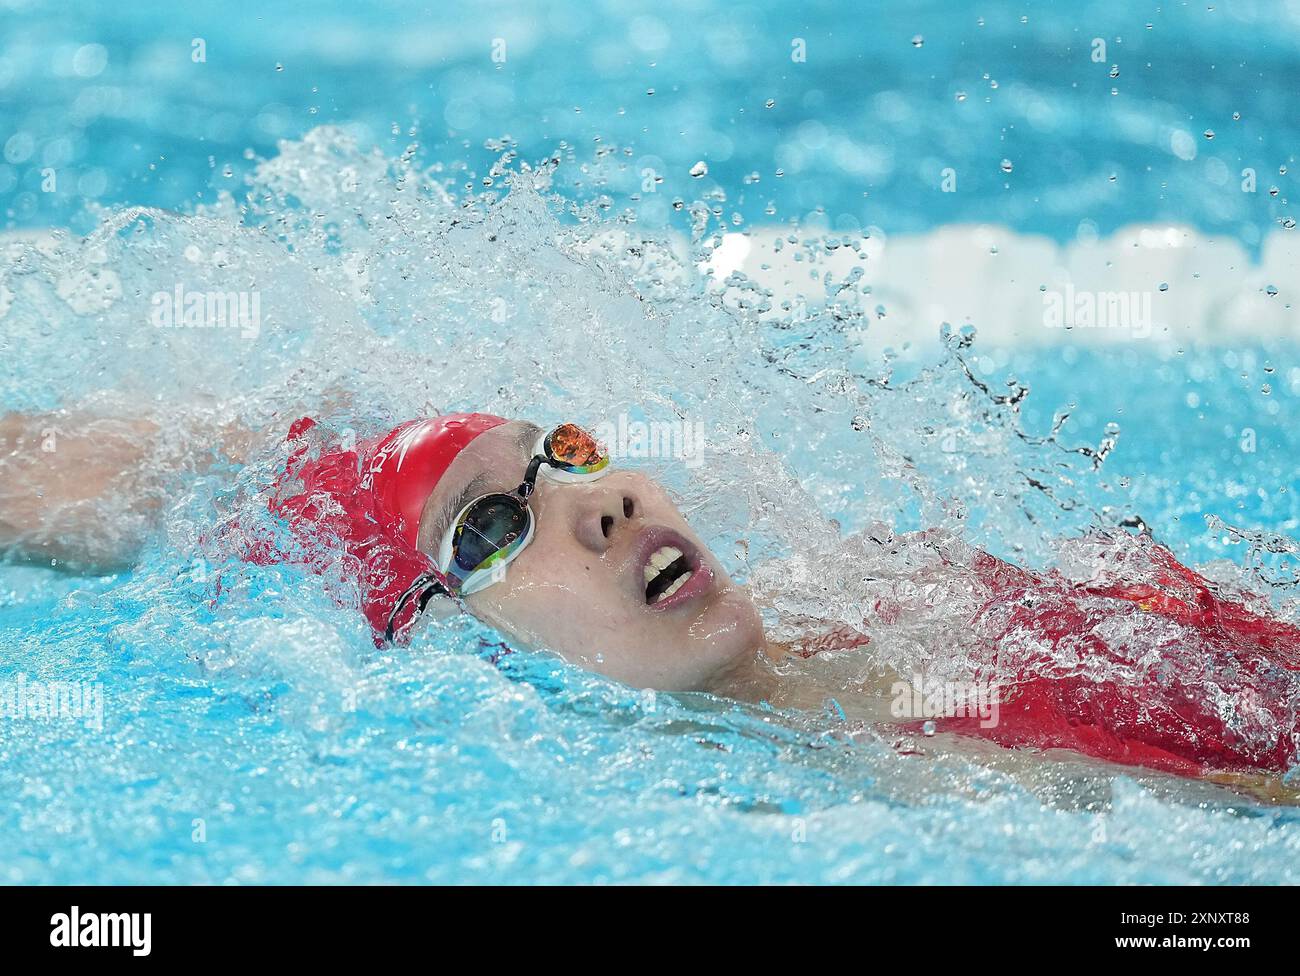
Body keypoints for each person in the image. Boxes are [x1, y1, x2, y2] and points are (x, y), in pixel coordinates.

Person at [3, 408, 1299, 783]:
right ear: (463, 644)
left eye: (564, 453)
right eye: (498, 524)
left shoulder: (926, 611)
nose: (597, 496)